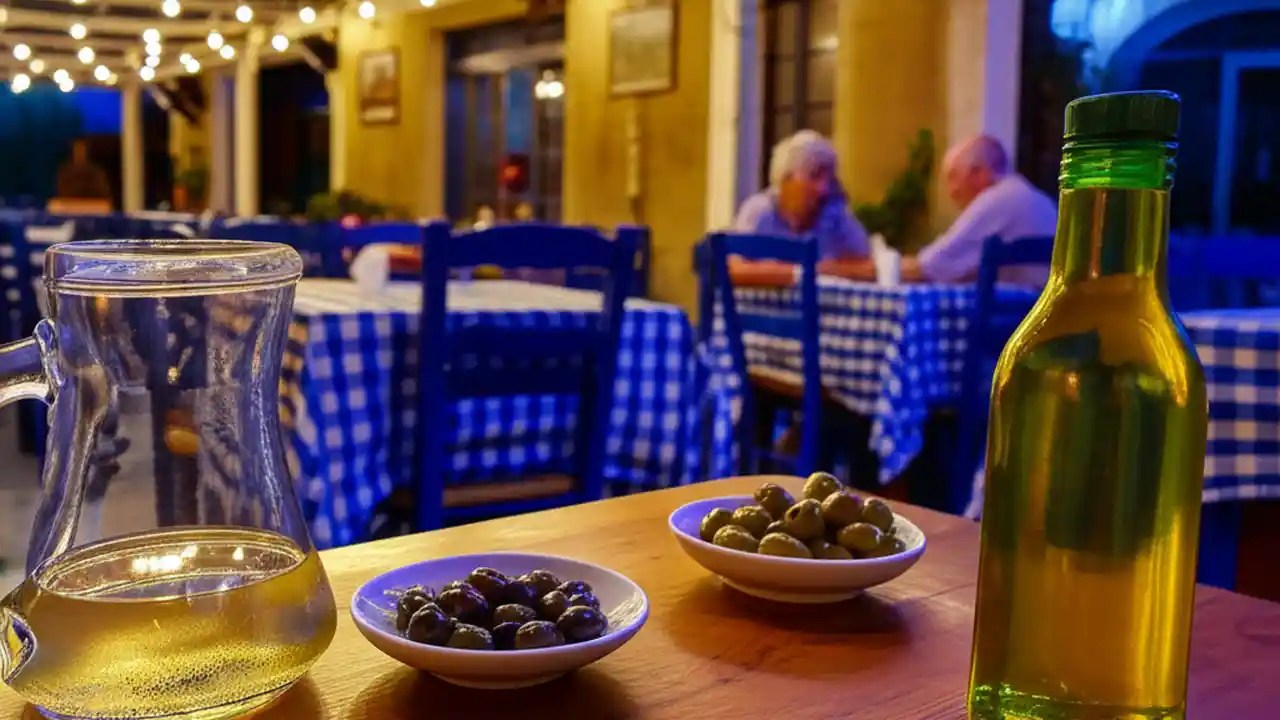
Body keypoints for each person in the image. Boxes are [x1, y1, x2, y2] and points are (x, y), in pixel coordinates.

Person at [823, 135, 1057, 285]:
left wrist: (840, 270)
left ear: (981, 173)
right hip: (1031, 327)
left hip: (1000, 334)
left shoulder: (995, 202)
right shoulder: (1035, 199)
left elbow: (928, 267)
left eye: (954, 178)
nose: (951, 191)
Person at [729, 130, 869, 286]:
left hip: (819, 309)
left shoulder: (833, 213)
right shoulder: (759, 211)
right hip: (754, 309)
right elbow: (733, 269)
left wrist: (827, 270)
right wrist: (801, 273)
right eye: (814, 176)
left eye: (828, 179)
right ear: (785, 180)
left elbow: (867, 266)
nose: (823, 187)